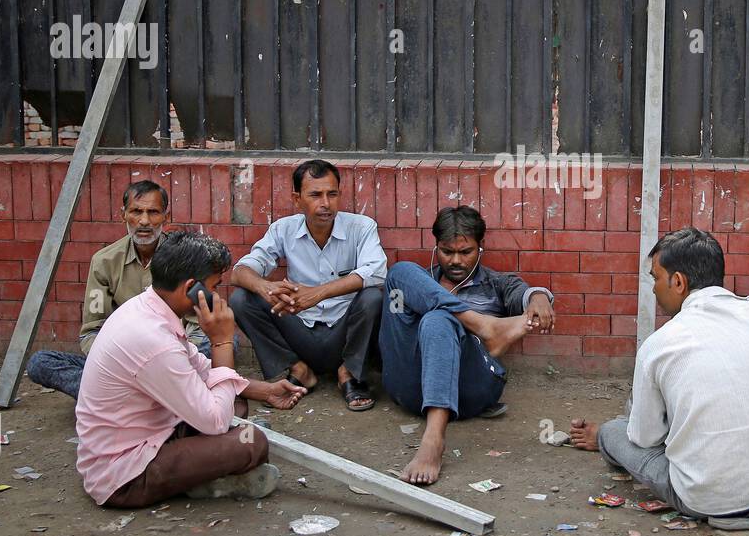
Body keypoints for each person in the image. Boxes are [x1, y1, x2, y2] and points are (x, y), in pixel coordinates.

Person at [569, 228, 749, 530]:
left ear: (678, 282)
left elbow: (645, 438)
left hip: (704, 499)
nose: (655, 289)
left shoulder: (658, 344)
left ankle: (604, 439)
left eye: (656, 278)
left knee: (617, 430)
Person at [75, 231, 306, 508]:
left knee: (237, 401)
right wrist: (221, 341)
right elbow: (216, 422)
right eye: (213, 286)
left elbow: (201, 368)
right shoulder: (152, 338)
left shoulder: (150, 307)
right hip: (124, 475)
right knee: (252, 442)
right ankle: (207, 482)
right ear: (190, 289)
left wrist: (264, 391)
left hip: (154, 433)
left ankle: (203, 474)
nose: (217, 296)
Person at [380, 206, 555, 485]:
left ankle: (433, 439)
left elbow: (526, 293)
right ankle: (484, 326)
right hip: (412, 386)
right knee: (400, 272)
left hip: (471, 390)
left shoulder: (496, 284)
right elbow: (395, 315)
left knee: (438, 319)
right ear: (436, 247)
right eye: (447, 252)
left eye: (466, 252)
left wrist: (539, 297)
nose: (456, 261)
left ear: (480, 248)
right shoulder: (418, 282)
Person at [25, 180, 208, 399]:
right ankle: (144, 396)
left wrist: (171, 360)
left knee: (222, 346)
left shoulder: (186, 258)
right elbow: (92, 331)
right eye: (136, 212)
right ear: (123, 215)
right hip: (123, 361)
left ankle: (116, 396)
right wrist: (120, 363)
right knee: (40, 362)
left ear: (165, 217)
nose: (144, 221)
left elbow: (200, 329)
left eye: (153, 212)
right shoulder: (104, 262)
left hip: (174, 358)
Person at [229, 160, 386, 411]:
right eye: (315, 195)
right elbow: (240, 271)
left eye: (332, 194)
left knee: (372, 297)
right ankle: (299, 369)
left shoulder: (362, 227)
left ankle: (349, 373)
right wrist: (265, 287)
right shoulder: (283, 229)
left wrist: (318, 293)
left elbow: (377, 272)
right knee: (241, 299)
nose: (325, 203)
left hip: (344, 336)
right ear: (297, 199)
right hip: (299, 331)